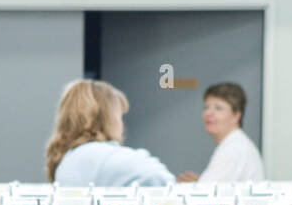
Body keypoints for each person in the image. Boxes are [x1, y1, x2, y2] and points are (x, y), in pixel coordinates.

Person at [47, 79, 175, 187]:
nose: (122, 126)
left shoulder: (68, 160)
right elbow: (158, 177)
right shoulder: (102, 156)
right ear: (108, 118)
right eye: (120, 117)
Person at [178, 82, 264, 185]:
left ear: (236, 115)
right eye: (206, 107)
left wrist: (196, 186)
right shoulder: (235, 144)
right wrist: (199, 183)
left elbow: (209, 191)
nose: (208, 113)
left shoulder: (234, 148)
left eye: (218, 108)